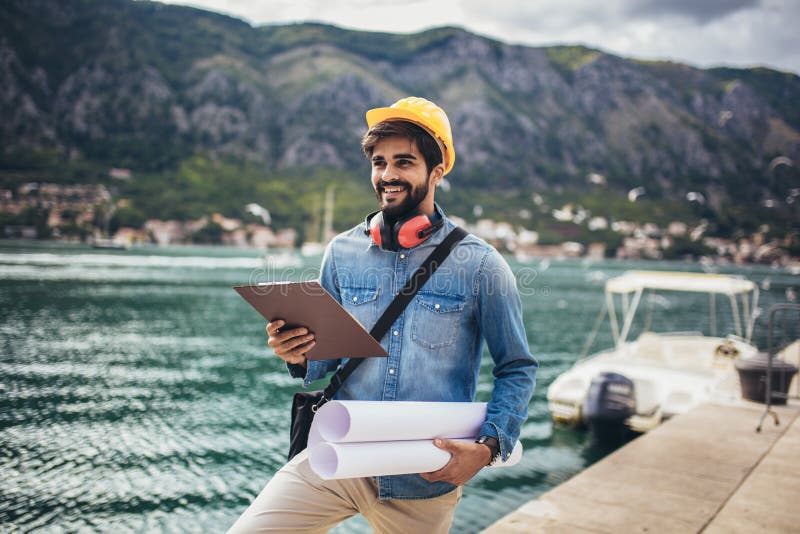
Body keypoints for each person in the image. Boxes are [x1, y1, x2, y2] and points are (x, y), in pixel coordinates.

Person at [228, 97, 537, 533]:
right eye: (379, 162)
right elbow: (326, 361)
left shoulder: (482, 265)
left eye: (403, 162)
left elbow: (517, 367)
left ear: (437, 171)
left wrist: (487, 448)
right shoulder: (341, 252)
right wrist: (297, 354)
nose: (387, 174)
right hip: (337, 456)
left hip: (424, 477)